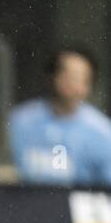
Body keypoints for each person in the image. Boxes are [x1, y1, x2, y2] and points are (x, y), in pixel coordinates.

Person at [10, 47, 111, 186]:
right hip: (28, 202)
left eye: (77, 77)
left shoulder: (102, 131)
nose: (70, 82)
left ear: (89, 85)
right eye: (65, 73)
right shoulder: (21, 120)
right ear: (52, 76)